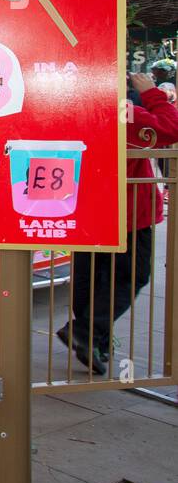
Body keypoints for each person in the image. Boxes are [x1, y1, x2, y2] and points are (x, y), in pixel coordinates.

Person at [57, 72, 178, 375]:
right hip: (126, 212)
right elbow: (171, 127)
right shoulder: (120, 110)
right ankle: (87, 332)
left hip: (83, 206)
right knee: (131, 275)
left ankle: (92, 338)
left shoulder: (72, 108)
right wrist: (151, 93)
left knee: (90, 275)